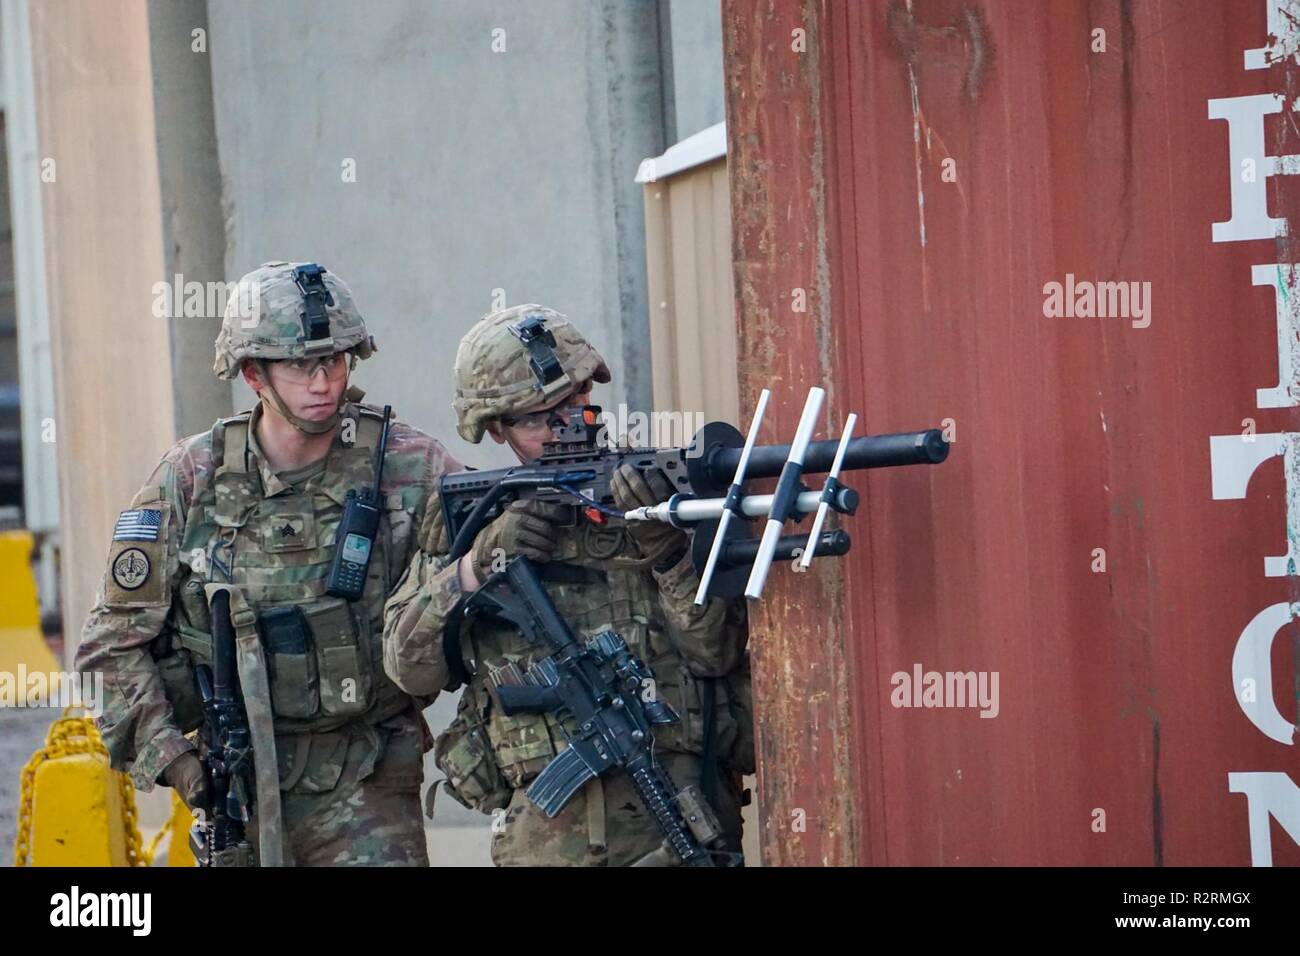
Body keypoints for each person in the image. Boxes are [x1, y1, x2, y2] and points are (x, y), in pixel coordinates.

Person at [74, 261, 460, 865]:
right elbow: (108, 649)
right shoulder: (191, 479)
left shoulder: (410, 465)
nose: (324, 381)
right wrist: (177, 762)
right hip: (239, 784)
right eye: (301, 365)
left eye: (335, 360)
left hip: (368, 777)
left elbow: (494, 566)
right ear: (254, 374)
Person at [383, 304, 753, 866]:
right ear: (497, 428)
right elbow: (409, 670)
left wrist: (667, 549)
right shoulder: (473, 517)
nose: (563, 427)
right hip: (544, 841)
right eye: (535, 419)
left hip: (678, 824)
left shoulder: (655, 491)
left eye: (573, 404)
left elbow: (714, 653)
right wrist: (478, 564)